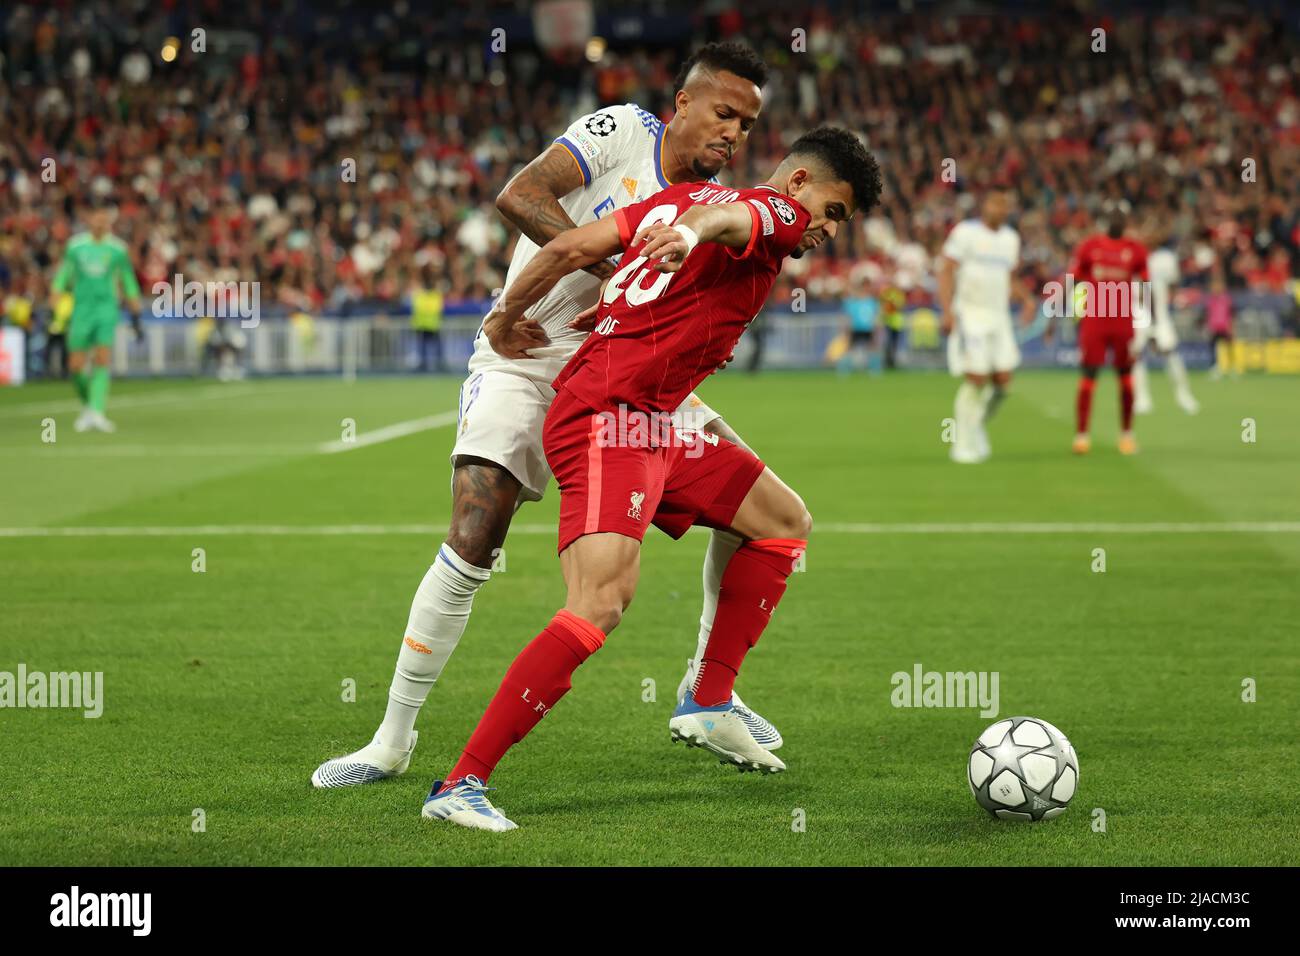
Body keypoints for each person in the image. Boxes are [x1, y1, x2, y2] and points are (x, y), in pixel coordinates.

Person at [311, 41, 788, 789]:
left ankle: (708, 693)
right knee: (474, 531)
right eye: (725, 113)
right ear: (683, 105)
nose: (734, 134)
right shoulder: (621, 131)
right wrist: (603, 266)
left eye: (750, 125)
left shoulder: (721, 206)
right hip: (526, 356)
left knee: (761, 511)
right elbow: (522, 195)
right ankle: (390, 740)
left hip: (625, 379)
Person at [420, 126, 882, 831]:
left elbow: (574, 247)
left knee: (782, 522)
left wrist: (510, 315)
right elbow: (733, 219)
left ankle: (708, 699)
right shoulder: (767, 215)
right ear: (797, 185)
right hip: (610, 418)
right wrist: (695, 235)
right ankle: (461, 784)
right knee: (600, 600)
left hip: (651, 417)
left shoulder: (686, 192)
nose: (827, 230)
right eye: (834, 211)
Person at [938, 190, 1037, 463]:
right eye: (995, 202)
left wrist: (1027, 299)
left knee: (1004, 383)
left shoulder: (1010, 240)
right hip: (970, 315)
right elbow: (946, 270)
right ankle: (961, 443)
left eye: (1004, 204)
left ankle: (976, 424)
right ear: (985, 206)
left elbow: (1008, 277)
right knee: (977, 377)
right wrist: (947, 311)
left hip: (999, 317)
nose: (999, 208)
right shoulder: (966, 233)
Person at [50, 204, 142, 433]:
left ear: (109, 222)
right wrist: (56, 290)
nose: (100, 223)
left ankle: (97, 412)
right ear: (89, 220)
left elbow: (127, 278)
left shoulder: (118, 249)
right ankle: (88, 407)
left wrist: (134, 305)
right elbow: (64, 272)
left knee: (102, 359)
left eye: (104, 219)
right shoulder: (76, 246)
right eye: (97, 218)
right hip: (81, 310)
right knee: (75, 365)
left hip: (106, 310)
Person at [1069, 202, 1148, 455]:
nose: (1115, 221)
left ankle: (1127, 434)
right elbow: (1075, 280)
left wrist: (1148, 321)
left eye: (1120, 217)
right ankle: (1082, 435)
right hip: (1095, 320)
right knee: (1088, 375)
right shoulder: (1090, 246)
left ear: (1125, 222)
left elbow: (1145, 285)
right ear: (1105, 221)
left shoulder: (1135, 250)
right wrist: (1066, 312)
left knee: (1125, 377)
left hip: (1123, 322)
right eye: (1111, 217)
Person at [1132, 229, 1198, 415]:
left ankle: (1183, 395)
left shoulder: (1166, 258)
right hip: (1137, 313)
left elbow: (1174, 283)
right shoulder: (1133, 257)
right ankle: (1142, 398)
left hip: (1160, 314)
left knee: (1170, 352)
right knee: (1136, 355)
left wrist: (1177, 299)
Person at [410, 266, 446, 372]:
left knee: (427, 348)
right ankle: (430, 365)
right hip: (429, 325)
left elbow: (418, 308)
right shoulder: (435, 295)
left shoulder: (420, 295)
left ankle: (434, 365)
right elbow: (438, 309)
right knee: (427, 348)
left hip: (425, 325)